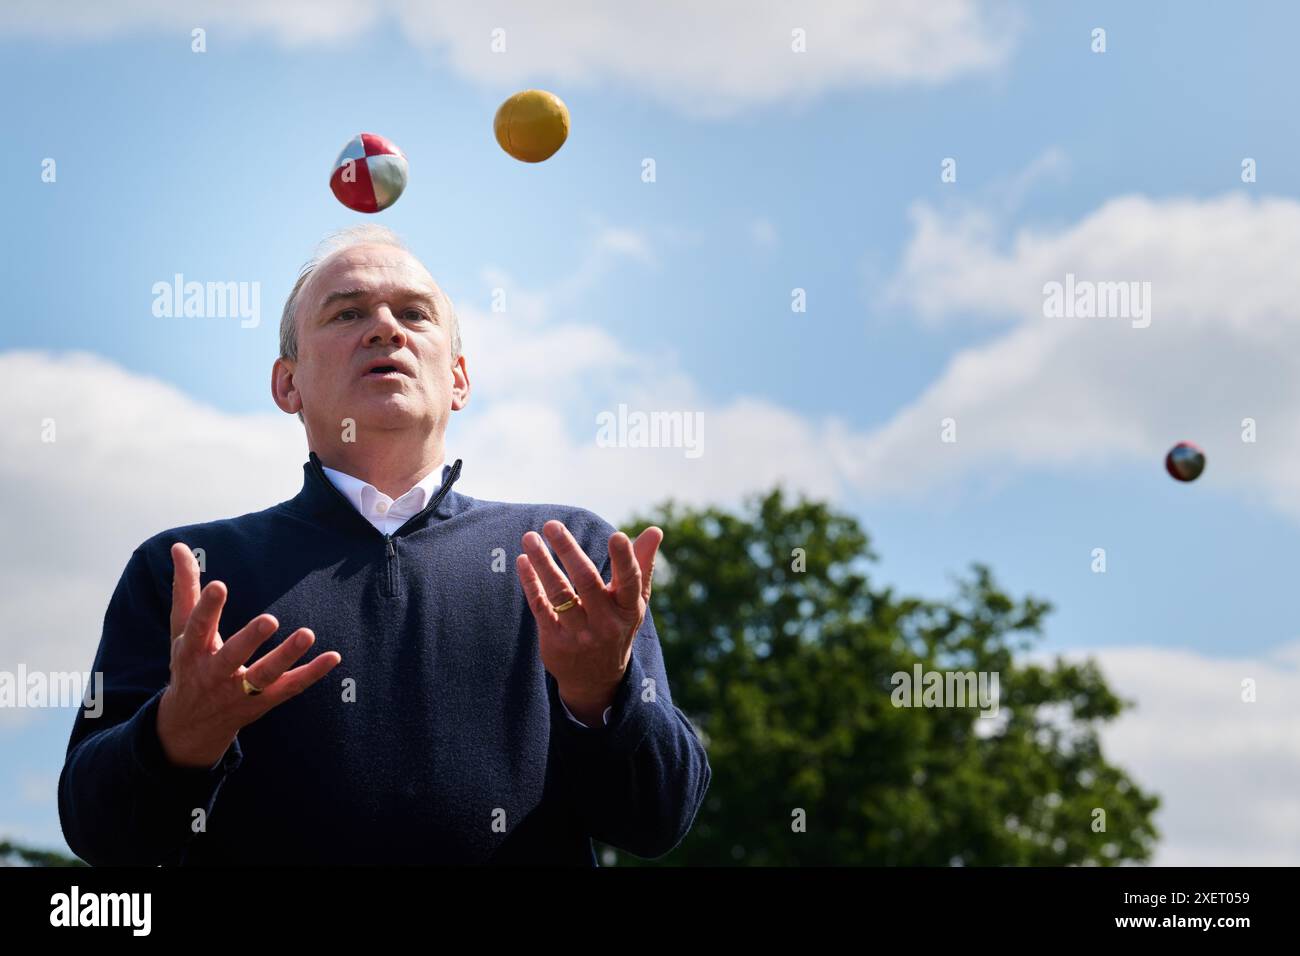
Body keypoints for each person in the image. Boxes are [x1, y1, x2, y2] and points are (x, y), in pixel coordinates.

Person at [58, 225, 711, 865]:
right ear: (288, 384)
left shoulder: (567, 556)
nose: (384, 328)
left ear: (458, 379)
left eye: (414, 313)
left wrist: (602, 696)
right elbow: (100, 835)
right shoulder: (188, 575)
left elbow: (657, 820)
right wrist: (180, 733)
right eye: (346, 313)